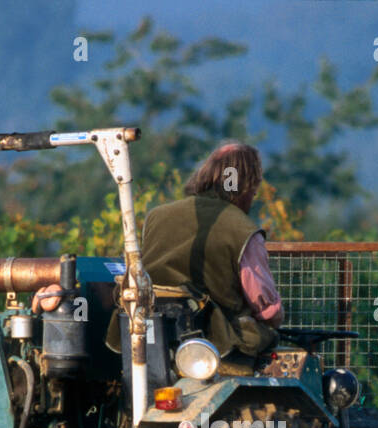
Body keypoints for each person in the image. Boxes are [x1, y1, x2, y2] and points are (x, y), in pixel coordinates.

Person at [35, 141, 282, 358]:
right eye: (254, 189)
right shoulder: (244, 230)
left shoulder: (157, 216)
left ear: (205, 175)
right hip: (213, 344)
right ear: (246, 187)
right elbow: (268, 310)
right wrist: (275, 317)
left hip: (145, 331)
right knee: (265, 337)